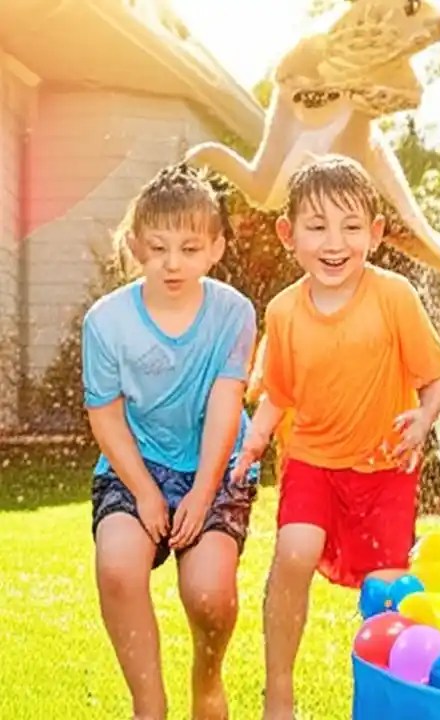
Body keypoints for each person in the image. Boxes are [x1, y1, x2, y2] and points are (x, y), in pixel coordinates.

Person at [229, 155, 440, 718]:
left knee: (384, 590)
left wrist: (424, 420)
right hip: (312, 461)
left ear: (375, 235)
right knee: (294, 550)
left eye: (352, 227)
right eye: (318, 226)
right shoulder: (283, 311)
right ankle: (278, 687)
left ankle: (383, 698)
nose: (335, 242)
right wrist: (254, 443)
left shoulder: (394, 295)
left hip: (385, 469)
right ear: (289, 235)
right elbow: (279, 392)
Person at [83, 164, 258, 720]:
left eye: (189, 247)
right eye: (158, 247)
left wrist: (203, 494)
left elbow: (227, 405)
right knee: (116, 567)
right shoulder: (106, 322)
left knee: (208, 596)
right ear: (136, 245)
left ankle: (207, 681)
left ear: (215, 248)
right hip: (137, 464)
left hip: (217, 464)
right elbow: (105, 415)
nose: (173, 262)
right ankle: (149, 706)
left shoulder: (233, 313)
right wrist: (145, 492)